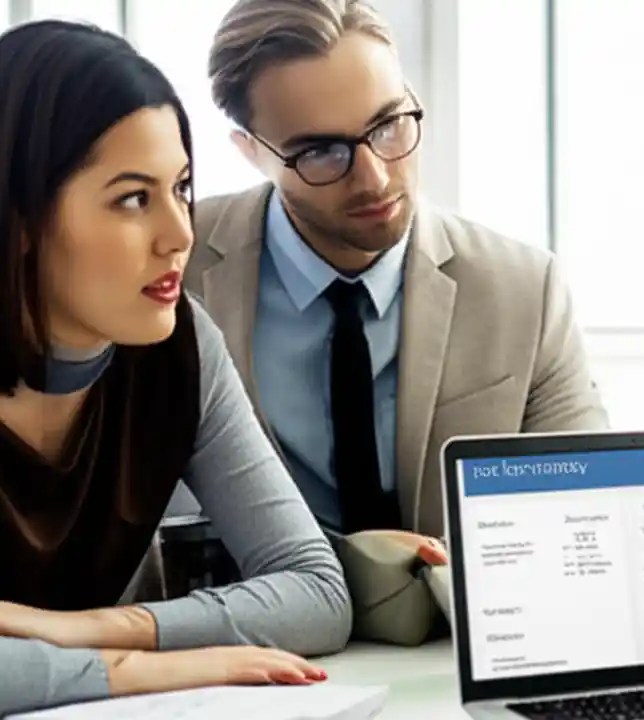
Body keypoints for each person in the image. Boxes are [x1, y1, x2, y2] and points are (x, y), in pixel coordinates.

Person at [0, 20, 352, 716]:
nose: (180, 233)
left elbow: (316, 591)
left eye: (181, 188)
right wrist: (132, 669)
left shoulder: (182, 350)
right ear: (21, 221)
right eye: (133, 198)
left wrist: (98, 629)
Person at [185, 0, 607, 566]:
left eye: (388, 126)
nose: (376, 177)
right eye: (322, 152)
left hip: (447, 640)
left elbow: (585, 518)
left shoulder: (524, 291)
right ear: (252, 152)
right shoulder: (173, 268)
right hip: (245, 640)